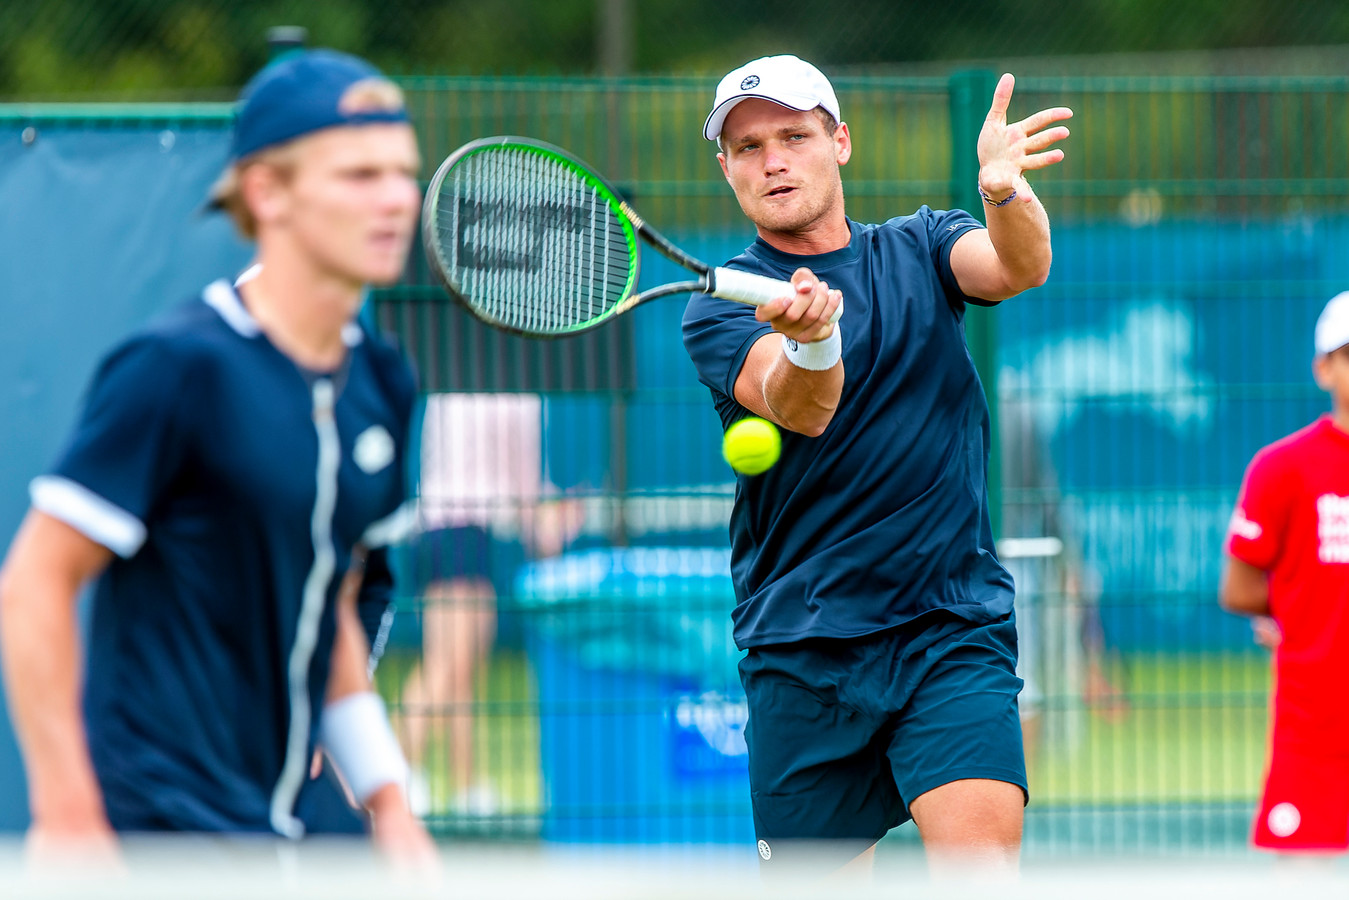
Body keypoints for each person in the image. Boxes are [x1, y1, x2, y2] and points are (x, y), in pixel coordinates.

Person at [0, 49, 436, 869]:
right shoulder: (177, 367)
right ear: (267, 191)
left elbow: (330, 601)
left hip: (281, 830)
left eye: (401, 173)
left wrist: (386, 799)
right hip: (156, 833)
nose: (393, 200)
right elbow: (34, 583)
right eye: (358, 175)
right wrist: (66, 815)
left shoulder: (381, 382)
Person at [681, 55, 1071, 877]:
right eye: (747, 148)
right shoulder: (719, 304)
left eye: (792, 135)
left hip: (946, 626)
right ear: (726, 168)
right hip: (801, 647)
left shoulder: (925, 244)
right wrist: (812, 337)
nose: (772, 160)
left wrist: (1002, 188)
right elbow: (800, 406)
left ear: (840, 142)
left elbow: (1017, 267)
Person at [400, 392, 579, 816]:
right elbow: (527, 493)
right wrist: (552, 522)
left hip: (434, 532)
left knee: (458, 671)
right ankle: (399, 777)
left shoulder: (449, 387)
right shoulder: (522, 399)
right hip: (462, 533)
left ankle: (466, 790)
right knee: (448, 667)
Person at [1220, 290, 1349, 857]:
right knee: (1302, 875)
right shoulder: (1283, 466)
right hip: (1315, 723)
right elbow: (1240, 588)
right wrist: (1300, 609)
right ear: (1323, 368)